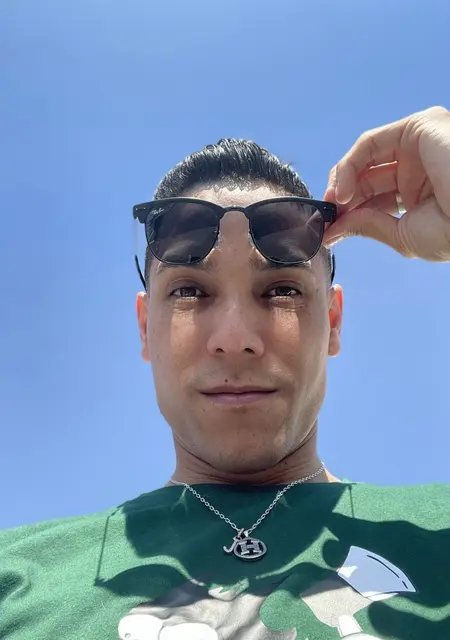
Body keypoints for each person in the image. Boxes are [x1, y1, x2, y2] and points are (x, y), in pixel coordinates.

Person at [1, 107, 449, 640]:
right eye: (190, 290)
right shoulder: (16, 575)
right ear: (145, 328)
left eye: (281, 290)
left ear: (332, 322)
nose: (235, 338)